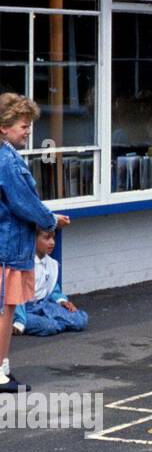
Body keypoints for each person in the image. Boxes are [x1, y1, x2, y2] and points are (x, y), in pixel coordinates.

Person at [0, 94, 70, 391]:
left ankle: (3, 367)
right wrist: (51, 220)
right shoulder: (7, 160)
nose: (28, 132)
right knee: (6, 310)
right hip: (8, 246)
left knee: (8, 309)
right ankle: (0, 371)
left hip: (7, 243)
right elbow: (24, 202)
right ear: (4, 127)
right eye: (23, 126)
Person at [14, 228, 87, 336]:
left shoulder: (51, 264)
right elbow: (15, 295)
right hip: (23, 310)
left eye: (53, 238)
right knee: (49, 326)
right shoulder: (23, 265)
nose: (52, 242)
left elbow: (52, 289)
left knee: (80, 320)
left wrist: (62, 301)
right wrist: (19, 320)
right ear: (33, 239)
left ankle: (55, 323)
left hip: (43, 305)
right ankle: (53, 323)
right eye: (46, 238)